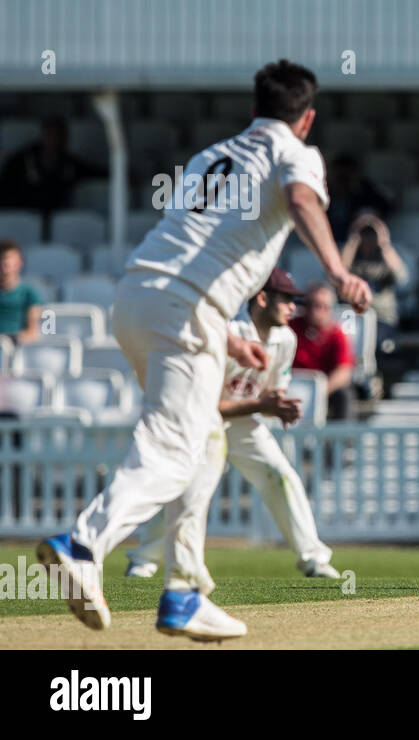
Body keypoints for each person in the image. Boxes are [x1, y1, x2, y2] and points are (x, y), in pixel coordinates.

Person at [36, 60, 372, 642]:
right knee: (173, 452)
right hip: (183, 311)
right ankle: (83, 543)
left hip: (139, 296)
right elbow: (301, 200)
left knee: (192, 445)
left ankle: (185, 593)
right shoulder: (295, 153)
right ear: (307, 119)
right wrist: (338, 270)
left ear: (253, 110)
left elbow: (194, 251)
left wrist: (226, 332)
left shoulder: (211, 156)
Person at [125, 269, 341, 581]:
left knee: (279, 475)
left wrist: (277, 407)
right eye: (286, 300)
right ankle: (144, 559)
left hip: (242, 421)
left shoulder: (285, 339)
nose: (294, 307)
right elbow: (204, 402)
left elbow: (270, 393)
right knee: (187, 488)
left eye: (295, 300)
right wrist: (262, 405)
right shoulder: (228, 333)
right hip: (201, 420)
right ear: (262, 298)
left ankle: (314, 559)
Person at [0, 117, 103, 229]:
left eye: (59, 136)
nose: (54, 140)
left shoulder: (69, 164)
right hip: (24, 217)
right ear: (43, 136)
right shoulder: (22, 160)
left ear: (65, 139)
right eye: (50, 135)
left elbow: (93, 172)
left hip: (57, 219)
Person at [340, 211, 408, 344]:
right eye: (365, 234)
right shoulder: (350, 255)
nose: (368, 238)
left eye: (371, 234)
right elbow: (337, 274)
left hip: (382, 317)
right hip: (353, 315)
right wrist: (353, 240)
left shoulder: (387, 256)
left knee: (375, 342)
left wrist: (384, 243)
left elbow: (402, 278)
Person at [291, 283, 356, 421]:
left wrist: (318, 392)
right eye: (312, 305)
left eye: (322, 306)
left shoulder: (337, 334)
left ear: (331, 309)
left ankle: (341, 439)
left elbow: (344, 372)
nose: (316, 311)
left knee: (344, 396)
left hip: (323, 390)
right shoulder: (290, 329)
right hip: (290, 387)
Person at [325, 153, 392, 243]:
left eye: (347, 178)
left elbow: (386, 208)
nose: (343, 183)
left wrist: (359, 189)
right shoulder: (320, 195)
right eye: (339, 178)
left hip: (356, 246)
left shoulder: (367, 196)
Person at [0, 239, 42, 344]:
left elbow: (33, 332)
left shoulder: (29, 293)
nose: (5, 264)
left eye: (9, 259)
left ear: (19, 263)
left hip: (16, 349)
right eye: (2, 259)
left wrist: (9, 340)